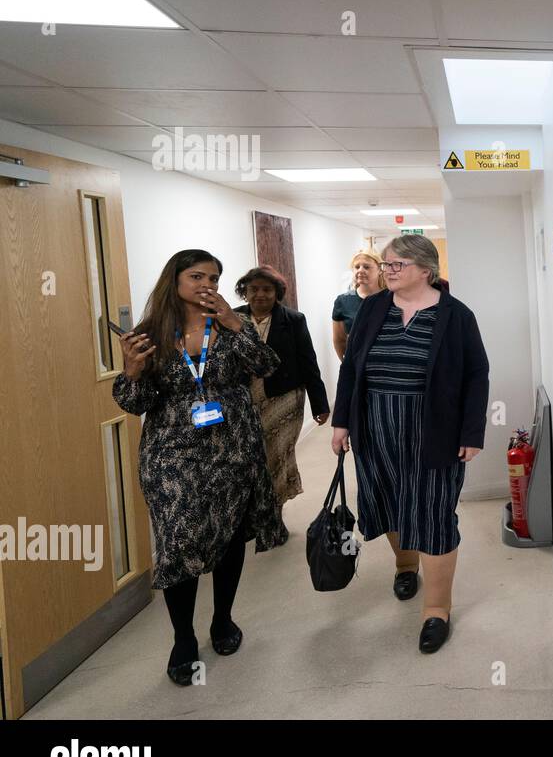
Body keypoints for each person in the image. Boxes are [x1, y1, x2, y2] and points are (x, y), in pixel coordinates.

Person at [113, 249, 286, 687]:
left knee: (228, 537)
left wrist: (235, 323)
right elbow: (136, 404)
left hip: (233, 448)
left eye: (214, 277)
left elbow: (267, 367)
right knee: (178, 542)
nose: (207, 284)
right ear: (174, 280)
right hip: (172, 453)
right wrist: (132, 371)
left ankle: (223, 620)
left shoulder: (231, 326)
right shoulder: (150, 334)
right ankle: (183, 638)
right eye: (197, 276)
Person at [330, 234, 488, 654]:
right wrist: (341, 421)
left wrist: (472, 433)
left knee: (434, 512)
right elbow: (351, 370)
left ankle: (436, 610)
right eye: (386, 264)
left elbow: (477, 375)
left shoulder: (456, 315)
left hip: (433, 429)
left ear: (425, 269)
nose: (387, 271)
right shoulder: (372, 309)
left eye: (396, 264)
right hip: (376, 425)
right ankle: (405, 565)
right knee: (385, 501)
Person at [233, 265, 330, 526]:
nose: (260, 295)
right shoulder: (232, 319)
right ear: (245, 292)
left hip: (285, 398)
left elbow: (308, 362)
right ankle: (256, 512)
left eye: (267, 289)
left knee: (276, 454)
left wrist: (320, 404)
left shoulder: (293, 319)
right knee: (252, 457)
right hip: (244, 400)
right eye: (253, 289)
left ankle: (273, 513)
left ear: (277, 292)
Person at [332, 251, 384, 361]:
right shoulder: (343, 301)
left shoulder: (391, 298)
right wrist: (346, 365)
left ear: (380, 270)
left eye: (366, 267)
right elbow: (339, 340)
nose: (360, 270)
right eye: (357, 267)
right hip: (357, 364)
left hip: (385, 363)